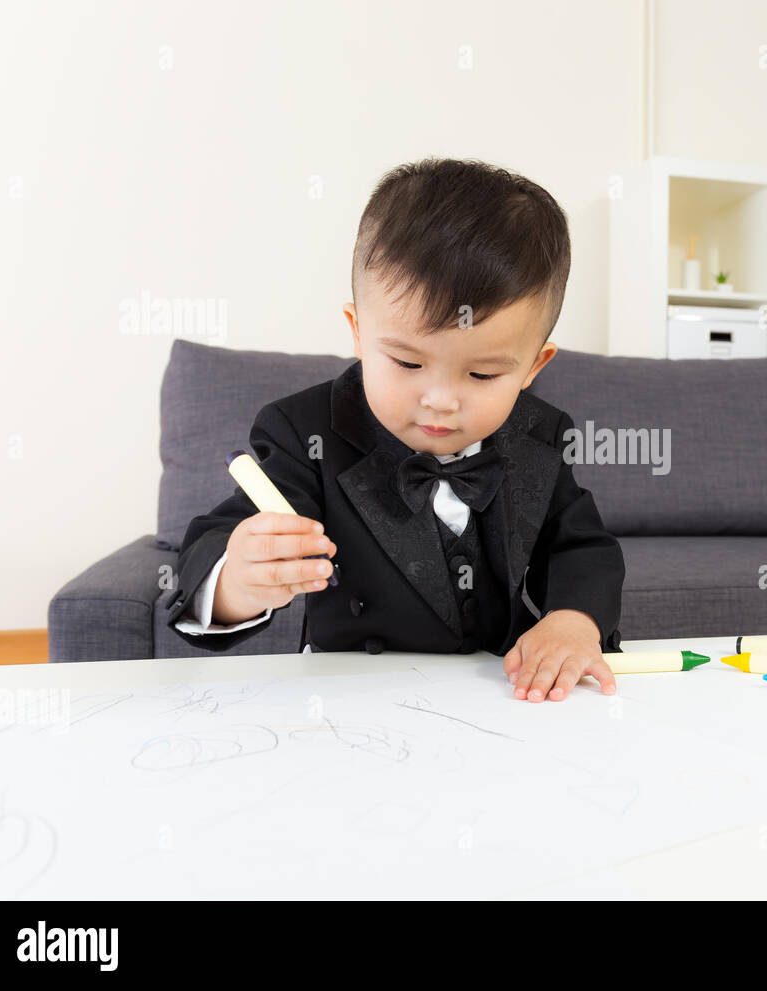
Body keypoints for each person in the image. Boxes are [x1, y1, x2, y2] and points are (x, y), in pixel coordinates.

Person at [167, 157, 625, 703]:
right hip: (349, 698)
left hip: (499, 692)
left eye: (482, 373)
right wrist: (237, 580)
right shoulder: (302, 429)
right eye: (407, 364)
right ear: (359, 334)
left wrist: (573, 621)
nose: (440, 400)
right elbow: (217, 540)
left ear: (533, 366)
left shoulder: (540, 433)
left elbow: (580, 546)